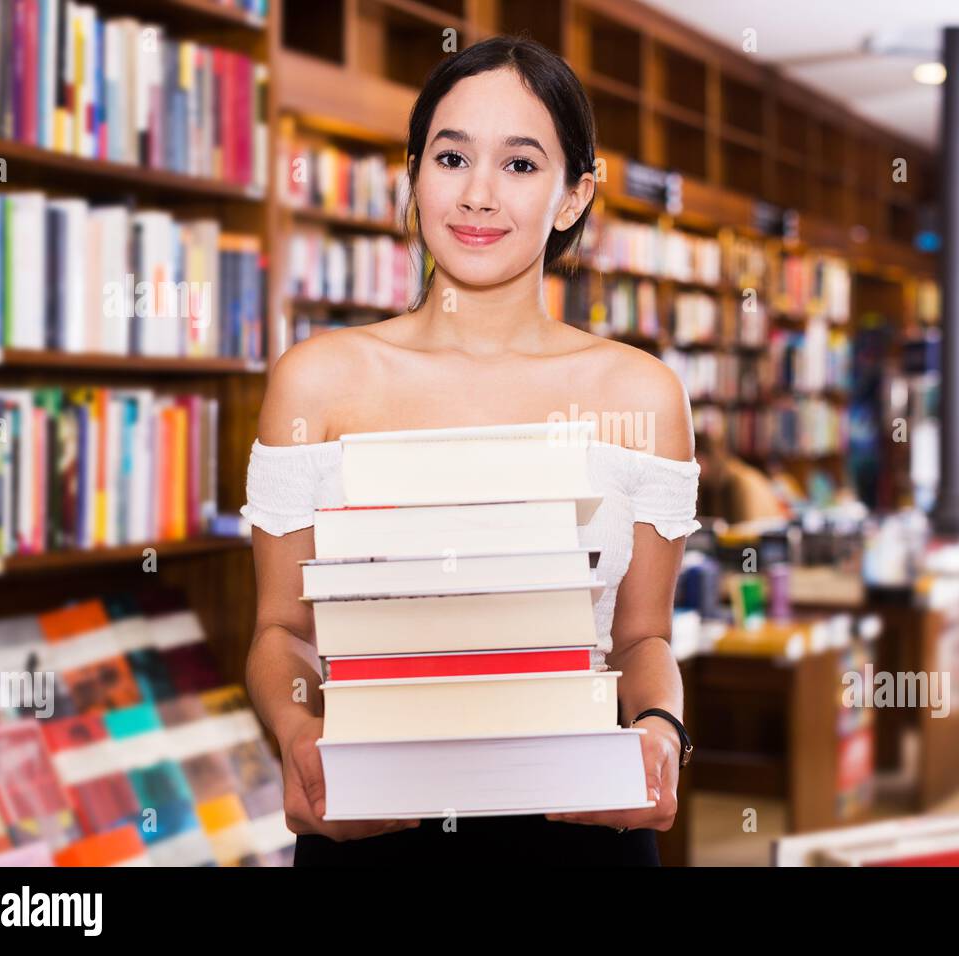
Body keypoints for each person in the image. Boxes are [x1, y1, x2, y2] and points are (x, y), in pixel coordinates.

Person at [240, 36, 700, 866]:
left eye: (521, 165)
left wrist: (661, 731)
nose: (479, 194)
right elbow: (281, 631)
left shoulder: (642, 395)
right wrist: (298, 729)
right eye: (452, 157)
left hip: (580, 827)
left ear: (573, 196)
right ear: (414, 175)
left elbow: (640, 642)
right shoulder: (317, 383)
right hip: (371, 822)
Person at [693, 429, 788, 524]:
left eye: (692, 459)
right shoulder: (713, 484)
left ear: (704, 456)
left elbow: (743, 533)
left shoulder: (740, 482)